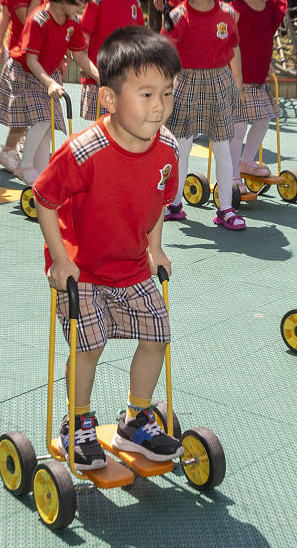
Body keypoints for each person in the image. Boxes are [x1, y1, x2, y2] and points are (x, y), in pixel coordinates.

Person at [34, 25, 185, 470]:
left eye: (168, 93)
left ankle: (136, 419)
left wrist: (155, 248)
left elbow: (159, 200)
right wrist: (60, 260)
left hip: (133, 265)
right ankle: (78, 422)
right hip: (83, 271)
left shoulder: (169, 150)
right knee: (90, 346)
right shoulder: (84, 152)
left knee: (158, 334)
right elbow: (45, 199)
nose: (159, 106)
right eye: (146, 94)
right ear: (109, 99)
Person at [0, 0, 97, 186]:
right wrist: (49, 83)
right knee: (42, 119)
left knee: (49, 125)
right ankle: (25, 166)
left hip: (47, 76)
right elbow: (31, 59)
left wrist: (99, 75)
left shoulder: (72, 21)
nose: (83, 5)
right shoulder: (38, 19)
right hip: (26, 74)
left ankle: (39, 171)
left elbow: (80, 56)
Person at [161, 0, 244, 229]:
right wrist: (165, 92)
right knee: (181, 146)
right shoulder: (176, 18)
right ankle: (173, 202)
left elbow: (234, 49)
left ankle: (226, 209)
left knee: (222, 147)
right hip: (185, 83)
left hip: (219, 83)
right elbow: (167, 57)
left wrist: (238, 83)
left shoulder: (228, 14)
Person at [227, 0, 294, 189]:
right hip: (236, 80)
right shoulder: (236, 10)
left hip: (256, 79)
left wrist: (269, 64)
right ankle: (233, 176)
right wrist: (236, 79)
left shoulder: (271, 9)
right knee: (237, 127)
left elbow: (265, 38)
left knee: (263, 119)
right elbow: (228, 44)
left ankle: (246, 162)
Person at [0, 0, 49, 173]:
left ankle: (22, 148)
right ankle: (8, 151)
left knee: (33, 113)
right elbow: (30, 23)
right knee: (23, 114)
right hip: (22, 58)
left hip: (40, 57)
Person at [79, 0, 144, 122]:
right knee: (101, 126)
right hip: (99, 74)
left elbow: (139, 38)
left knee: (122, 125)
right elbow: (85, 36)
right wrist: (86, 64)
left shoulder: (133, 0)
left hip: (126, 74)